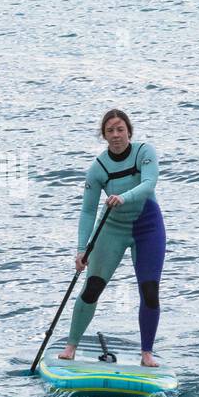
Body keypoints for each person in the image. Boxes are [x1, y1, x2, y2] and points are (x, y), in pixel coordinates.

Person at [58, 109, 165, 367]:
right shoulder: (98, 168)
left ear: (129, 131)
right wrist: (81, 250)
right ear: (103, 136)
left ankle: (146, 353)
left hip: (147, 227)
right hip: (111, 229)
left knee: (149, 291)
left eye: (120, 129)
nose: (116, 135)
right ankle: (71, 346)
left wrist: (123, 197)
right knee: (92, 287)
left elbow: (149, 184)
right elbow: (87, 211)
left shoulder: (144, 152)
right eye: (110, 131)